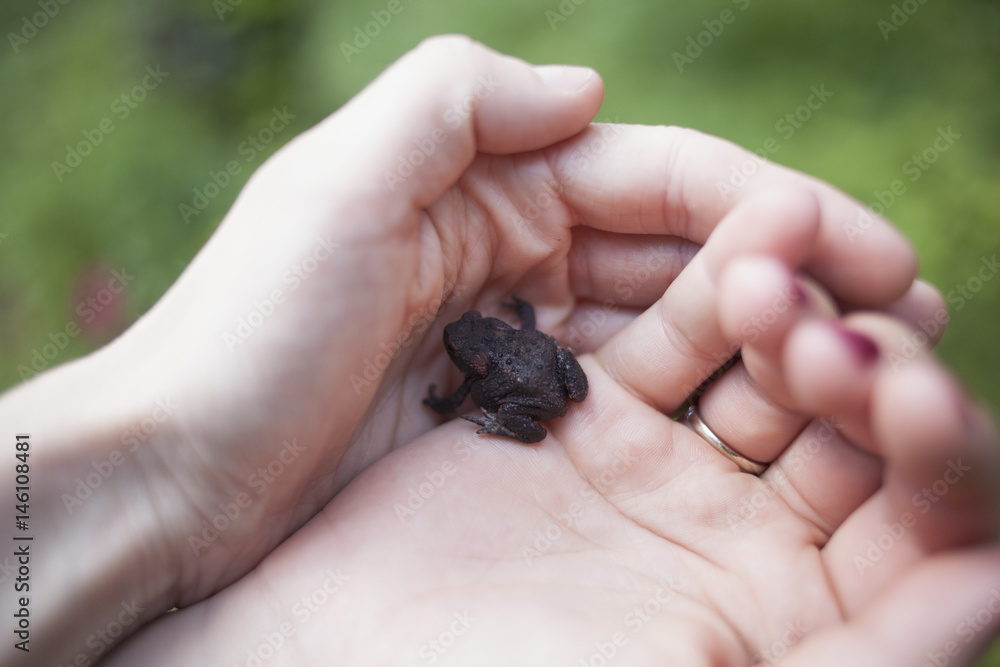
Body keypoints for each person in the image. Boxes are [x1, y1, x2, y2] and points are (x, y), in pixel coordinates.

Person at [2, 35, 997, 666]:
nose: (456, 343)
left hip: (537, 390)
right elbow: (524, 354)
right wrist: (152, 476)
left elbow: (489, 379)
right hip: (547, 379)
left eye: (461, 346)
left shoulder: (479, 366)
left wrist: (473, 405)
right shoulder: (494, 349)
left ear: (470, 350)